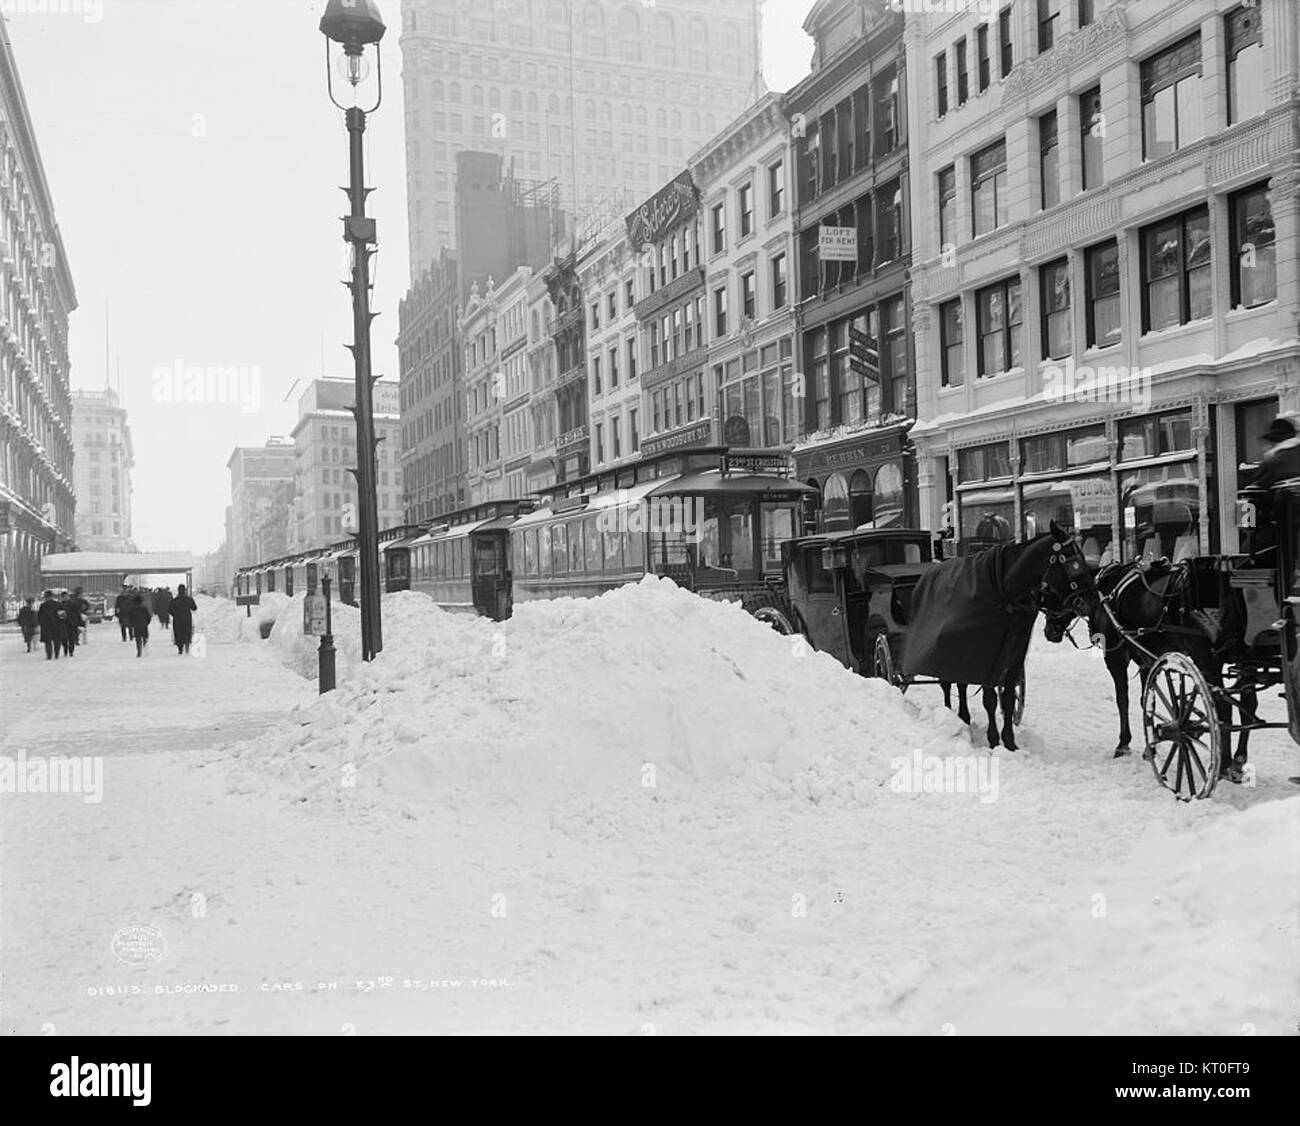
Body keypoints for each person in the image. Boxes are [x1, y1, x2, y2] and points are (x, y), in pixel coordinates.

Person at [168, 584, 198, 655]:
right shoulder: (189, 599)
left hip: (177, 619)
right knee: (187, 632)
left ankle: (180, 648)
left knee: (178, 633)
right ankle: (187, 645)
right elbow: (194, 608)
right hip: (187, 619)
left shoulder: (174, 600)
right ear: (185, 590)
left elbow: (169, 610)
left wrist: (174, 614)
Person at [37, 590, 64, 661]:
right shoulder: (58, 604)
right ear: (52, 596)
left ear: (46, 597)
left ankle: (49, 655)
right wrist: (61, 622)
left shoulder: (43, 606)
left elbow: (39, 616)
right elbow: (62, 615)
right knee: (57, 640)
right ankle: (57, 654)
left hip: (46, 626)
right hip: (57, 625)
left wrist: (41, 623)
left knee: (48, 641)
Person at [127, 593, 152, 658]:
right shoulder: (144, 608)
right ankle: (144, 646)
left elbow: (130, 617)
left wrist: (132, 624)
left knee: (138, 639)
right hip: (144, 625)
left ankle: (139, 650)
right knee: (144, 637)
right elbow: (148, 616)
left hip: (136, 625)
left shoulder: (132, 609)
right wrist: (147, 622)